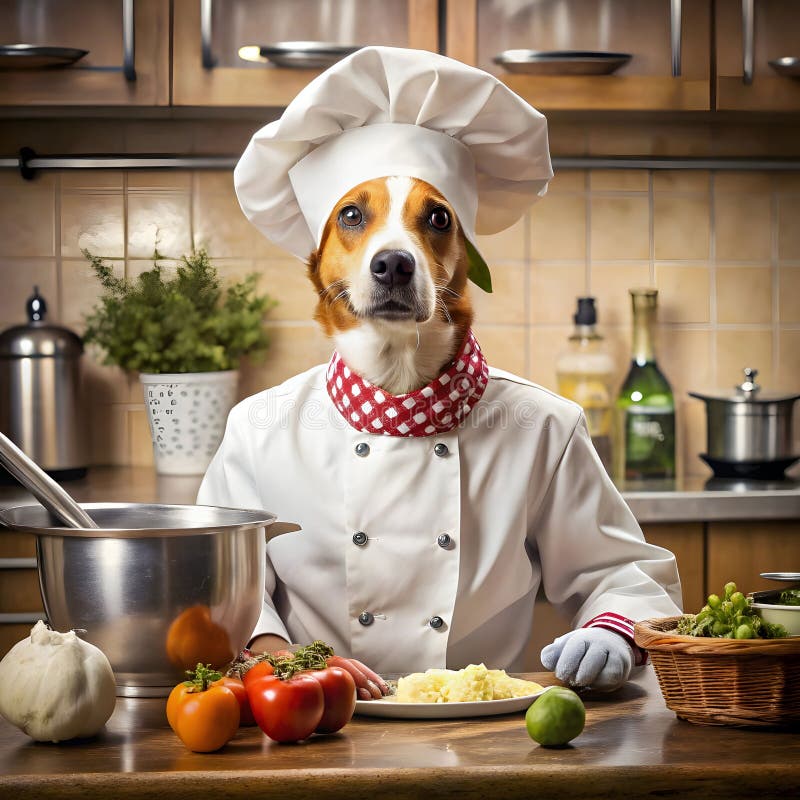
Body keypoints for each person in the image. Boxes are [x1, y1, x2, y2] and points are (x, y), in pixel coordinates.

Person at [198, 46, 682, 696]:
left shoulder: (542, 428)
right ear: (320, 260)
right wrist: (280, 658)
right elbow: (217, 587)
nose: (395, 254)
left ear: (459, 259)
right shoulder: (259, 432)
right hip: (312, 733)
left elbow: (621, 574)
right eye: (353, 218)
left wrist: (613, 629)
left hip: (490, 742)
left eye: (434, 222)